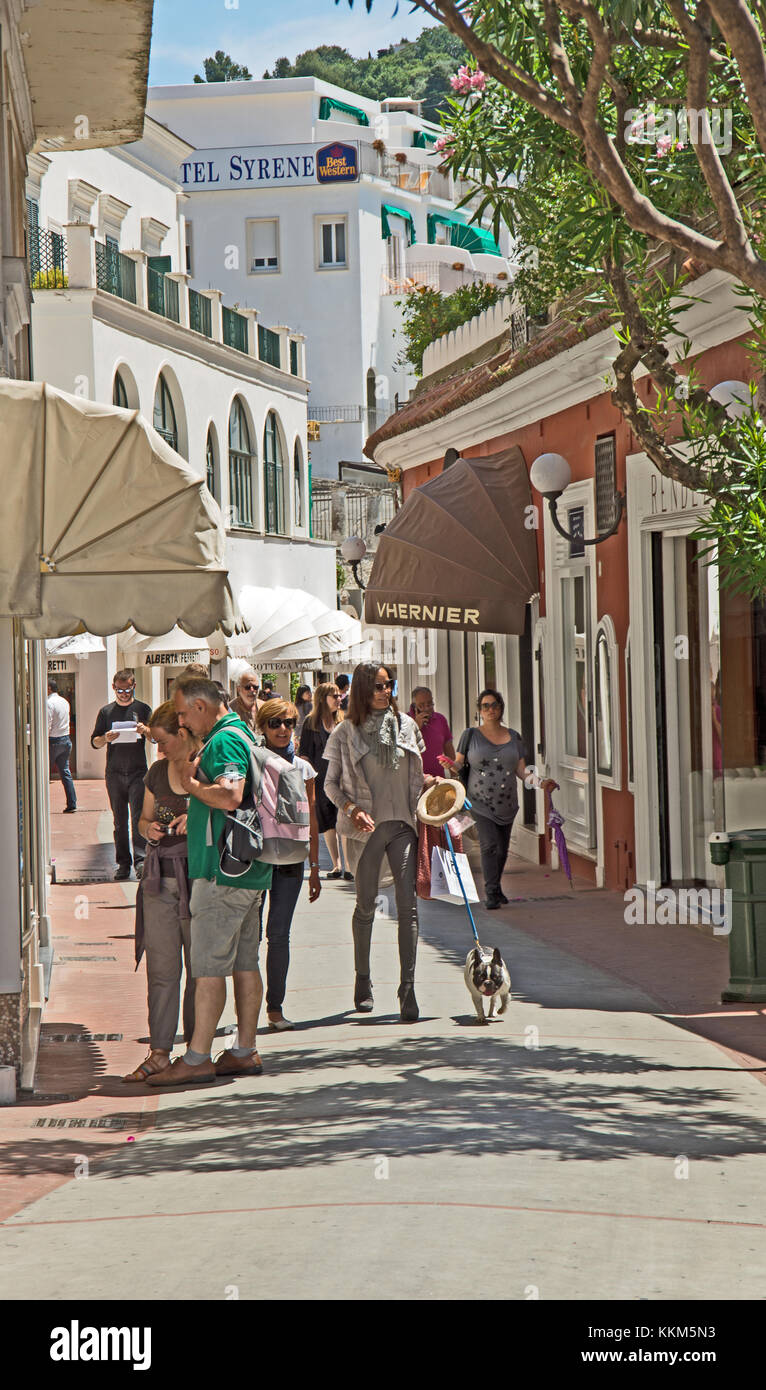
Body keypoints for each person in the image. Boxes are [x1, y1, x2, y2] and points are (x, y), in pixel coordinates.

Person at [146, 674, 272, 1087]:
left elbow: (231, 794)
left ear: (200, 706)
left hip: (223, 873)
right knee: (243, 962)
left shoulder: (223, 740)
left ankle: (197, 1057)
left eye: (183, 712)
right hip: (246, 870)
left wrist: (193, 786)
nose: (182, 722)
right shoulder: (241, 731)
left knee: (208, 968)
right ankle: (242, 1051)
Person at [324, 662, 437, 1023]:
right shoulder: (345, 732)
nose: (383, 692)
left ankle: (408, 988)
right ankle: (363, 978)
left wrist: (433, 786)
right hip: (365, 831)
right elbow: (329, 784)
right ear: (361, 690)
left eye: (388, 685)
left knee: (409, 908)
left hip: (403, 825)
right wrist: (351, 808)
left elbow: (415, 774)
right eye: (376, 686)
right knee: (366, 907)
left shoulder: (405, 725)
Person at [123, 702, 199, 1082]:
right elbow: (142, 820)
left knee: (201, 972)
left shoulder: (205, 767)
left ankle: (195, 1052)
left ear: (182, 735)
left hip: (198, 881)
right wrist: (148, 829)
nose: (158, 749)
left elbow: (227, 808)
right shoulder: (155, 772)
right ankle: (159, 1052)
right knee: (162, 971)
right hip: (159, 880)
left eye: (162, 741)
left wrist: (196, 817)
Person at [439, 688, 556, 910]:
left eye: (494, 705)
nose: (490, 709)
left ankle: (497, 886)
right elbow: (459, 764)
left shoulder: (514, 737)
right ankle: (491, 892)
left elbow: (522, 772)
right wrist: (449, 765)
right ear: (480, 711)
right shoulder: (470, 736)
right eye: (485, 706)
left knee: (502, 849)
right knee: (489, 845)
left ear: (501, 708)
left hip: (508, 803)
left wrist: (542, 783)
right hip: (479, 802)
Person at [256, 698, 321, 1030]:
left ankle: (274, 1008)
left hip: (292, 861)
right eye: (275, 723)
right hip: (256, 857)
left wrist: (315, 867)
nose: (283, 729)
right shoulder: (255, 760)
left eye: (289, 723)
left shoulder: (304, 767)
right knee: (249, 937)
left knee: (278, 935)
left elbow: (311, 815)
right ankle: (246, 1008)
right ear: (263, 727)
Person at [91, 670, 151, 881]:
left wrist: (146, 730)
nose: (124, 693)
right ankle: (123, 864)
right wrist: (105, 738)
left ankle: (141, 861)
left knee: (138, 819)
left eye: (127, 689)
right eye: (120, 690)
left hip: (137, 772)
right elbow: (95, 742)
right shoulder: (106, 712)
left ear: (134, 686)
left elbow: (155, 738)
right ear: (113, 688)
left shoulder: (143, 709)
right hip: (115, 773)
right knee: (119, 821)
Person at [299, 682, 352, 879]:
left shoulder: (343, 722)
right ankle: (336, 865)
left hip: (343, 778)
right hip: (320, 779)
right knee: (328, 821)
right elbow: (304, 752)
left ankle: (349, 866)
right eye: (335, 696)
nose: (340, 699)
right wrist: (308, 778)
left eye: (340, 696)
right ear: (323, 699)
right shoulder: (310, 723)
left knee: (344, 819)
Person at [409, 686, 455, 777]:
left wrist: (454, 776)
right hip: (414, 781)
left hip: (438, 780)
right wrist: (416, 726)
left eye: (429, 704)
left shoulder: (440, 719)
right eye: (421, 705)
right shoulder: (405, 721)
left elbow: (449, 749)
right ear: (414, 706)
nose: (426, 708)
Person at [47, 679, 77, 813]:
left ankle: (40, 804)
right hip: (66, 739)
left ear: (48, 688)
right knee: (65, 773)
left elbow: (47, 723)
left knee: (42, 772)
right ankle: (72, 803)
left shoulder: (49, 703)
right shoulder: (64, 701)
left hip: (53, 741)